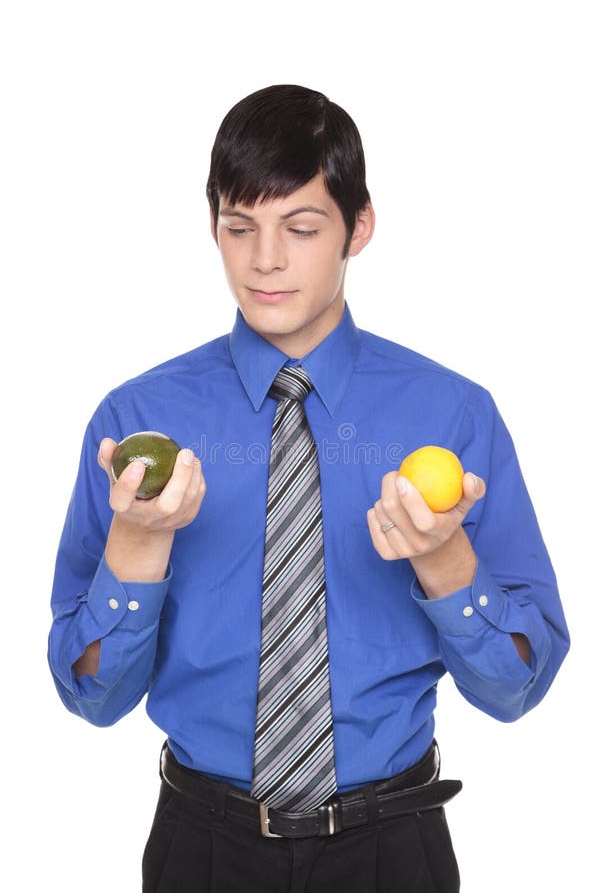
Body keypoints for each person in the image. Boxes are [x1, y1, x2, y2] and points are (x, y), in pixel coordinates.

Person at [48, 84, 570, 893]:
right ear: (213, 227)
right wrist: (140, 542)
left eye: (301, 227)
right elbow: (91, 696)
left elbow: (517, 691)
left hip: (393, 850)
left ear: (358, 227)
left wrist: (447, 561)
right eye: (239, 227)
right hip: (203, 851)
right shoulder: (138, 421)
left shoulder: (454, 413)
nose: (265, 260)